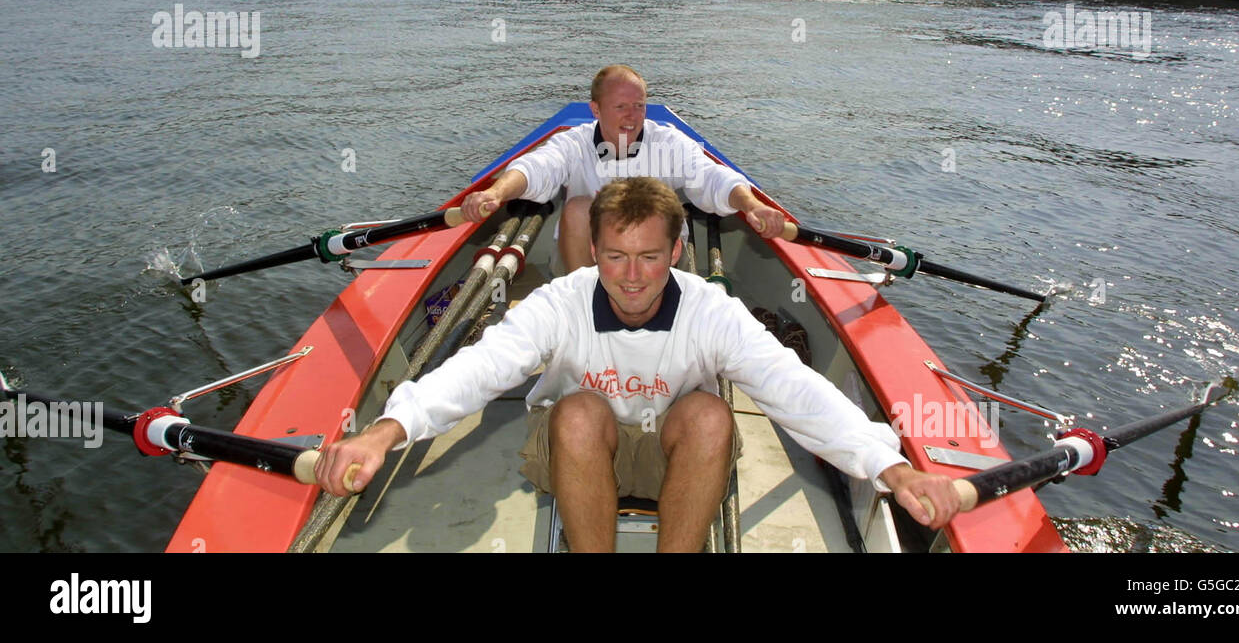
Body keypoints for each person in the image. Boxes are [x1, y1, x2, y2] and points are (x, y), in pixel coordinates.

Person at [315, 177, 962, 552]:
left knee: (711, 414)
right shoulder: (559, 303)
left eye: (649, 256)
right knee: (577, 412)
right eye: (615, 255)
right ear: (592, 249)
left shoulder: (711, 309)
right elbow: (480, 368)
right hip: (575, 447)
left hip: (678, 451)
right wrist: (384, 432)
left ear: (676, 250)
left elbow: (796, 391)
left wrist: (895, 471)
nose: (631, 277)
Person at [459, 65, 786, 273]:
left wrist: (752, 205)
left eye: (639, 106)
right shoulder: (573, 144)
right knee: (577, 210)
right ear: (595, 110)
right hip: (587, 263)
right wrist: (495, 193)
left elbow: (712, 176)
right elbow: (536, 168)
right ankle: (587, 312)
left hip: (658, 262)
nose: (632, 116)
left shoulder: (668, 142)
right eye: (620, 107)